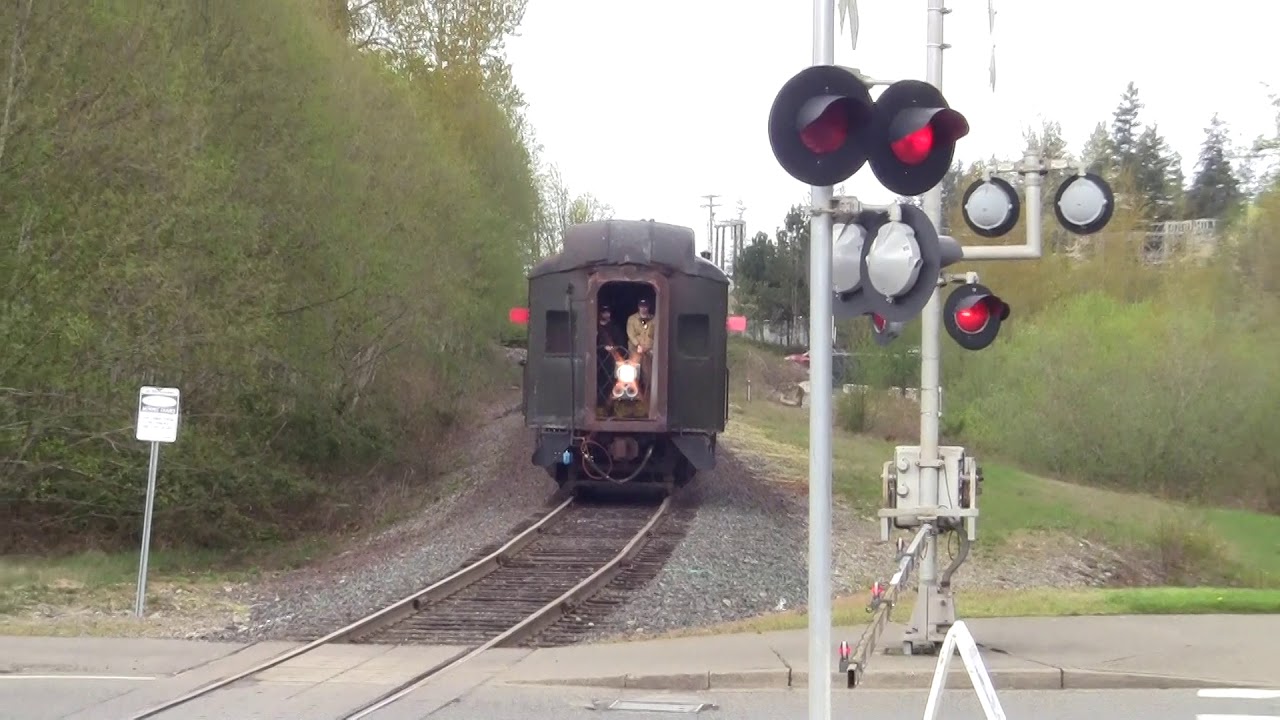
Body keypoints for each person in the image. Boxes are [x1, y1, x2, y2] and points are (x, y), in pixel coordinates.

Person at [595, 304, 623, 411]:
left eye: (607, 312)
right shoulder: (595, 327)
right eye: (603, 312)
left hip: (610, 360)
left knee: (611, 382)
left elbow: (620, 343)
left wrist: (613, 348)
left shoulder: (615, 328)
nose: (605, 314)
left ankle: (609, 406)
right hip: (598, 359)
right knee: (598, 381)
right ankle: (598, 405)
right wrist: (603, 348)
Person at [626, 297, 656, 390]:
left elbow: (656, 335)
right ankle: (632, 394)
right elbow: (630, 334)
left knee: (648, 374)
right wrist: (637, 345)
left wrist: (651, 348)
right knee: (633, 373)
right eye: (642, 306)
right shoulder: (632, 319)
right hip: (635, 351)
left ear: (648, 307)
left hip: (649, 351)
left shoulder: (654, 319)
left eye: (645, 306)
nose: (644, 308)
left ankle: (647, 395)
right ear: (638, 307)